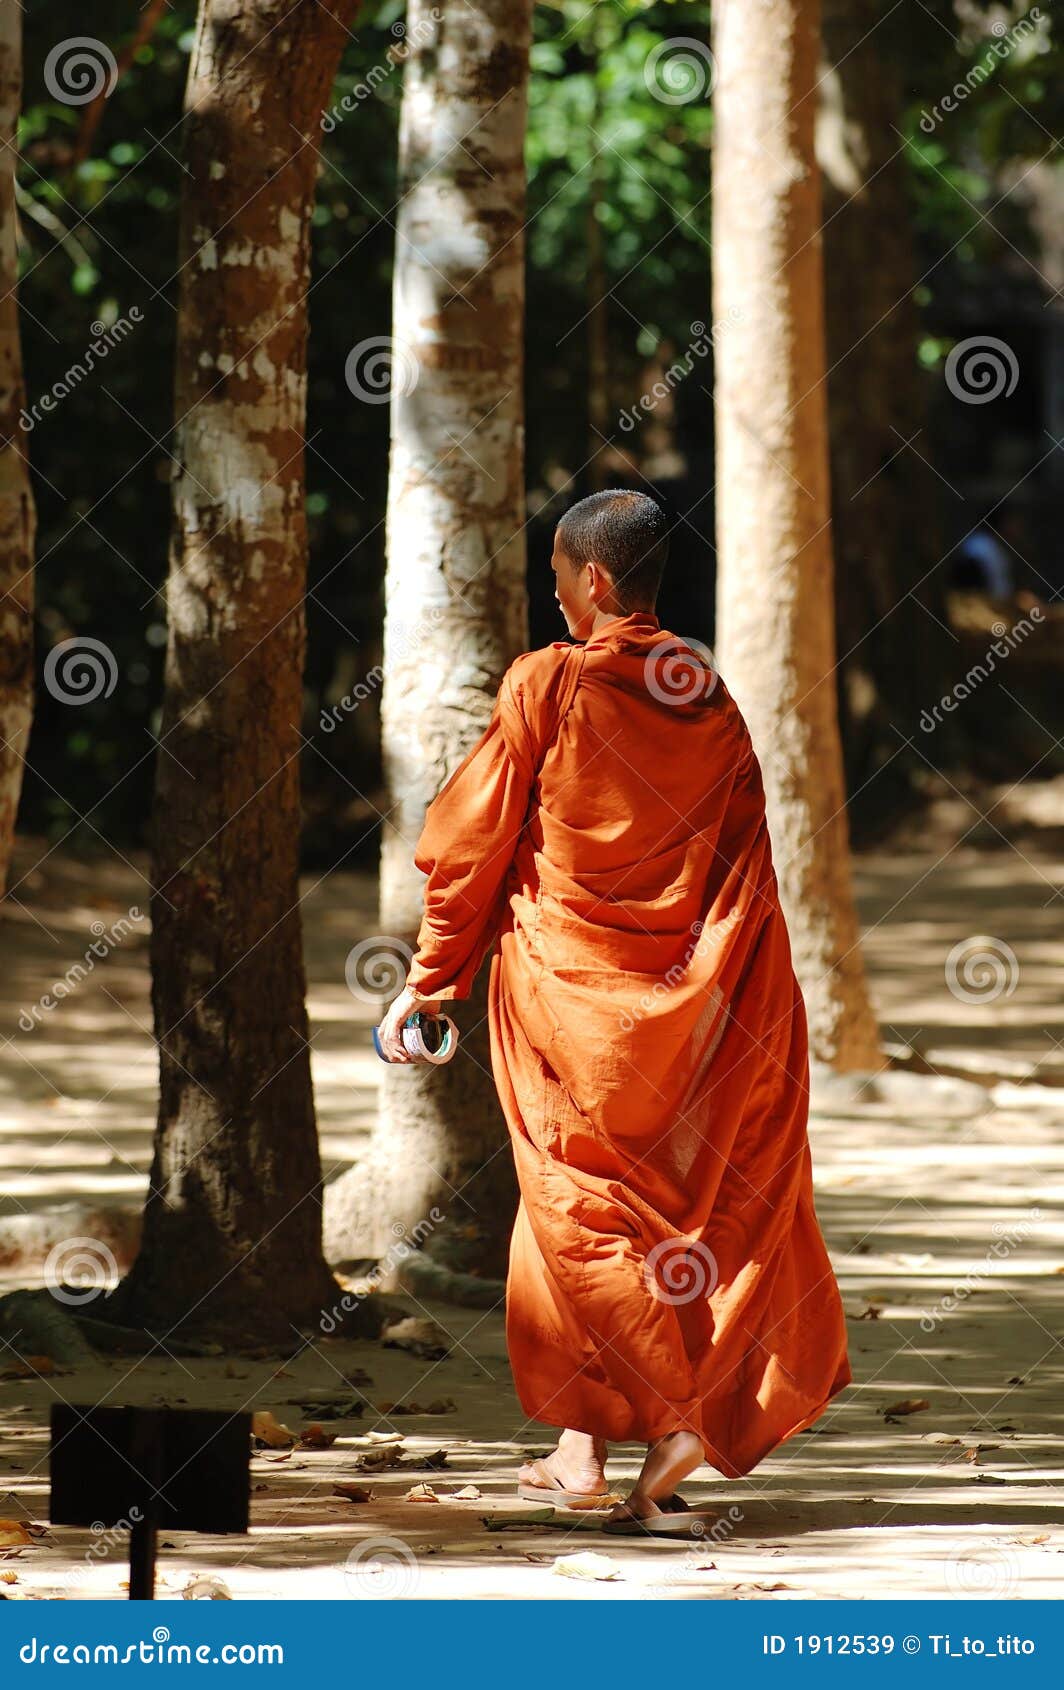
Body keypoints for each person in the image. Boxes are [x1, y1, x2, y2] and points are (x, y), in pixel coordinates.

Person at [377, 489, 850, 1535]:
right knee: (668, 1212)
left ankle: (668, 1416)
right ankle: (583, 1447)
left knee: (571, 1215)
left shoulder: (546, 683)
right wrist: (745, 1013)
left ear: (593, 579)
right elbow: (743, 878)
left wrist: (429, 976)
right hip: (693, 1016)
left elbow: (468, 846)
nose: (552, 593)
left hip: (562, 1011)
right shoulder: (706, 697)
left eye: (555, 573)